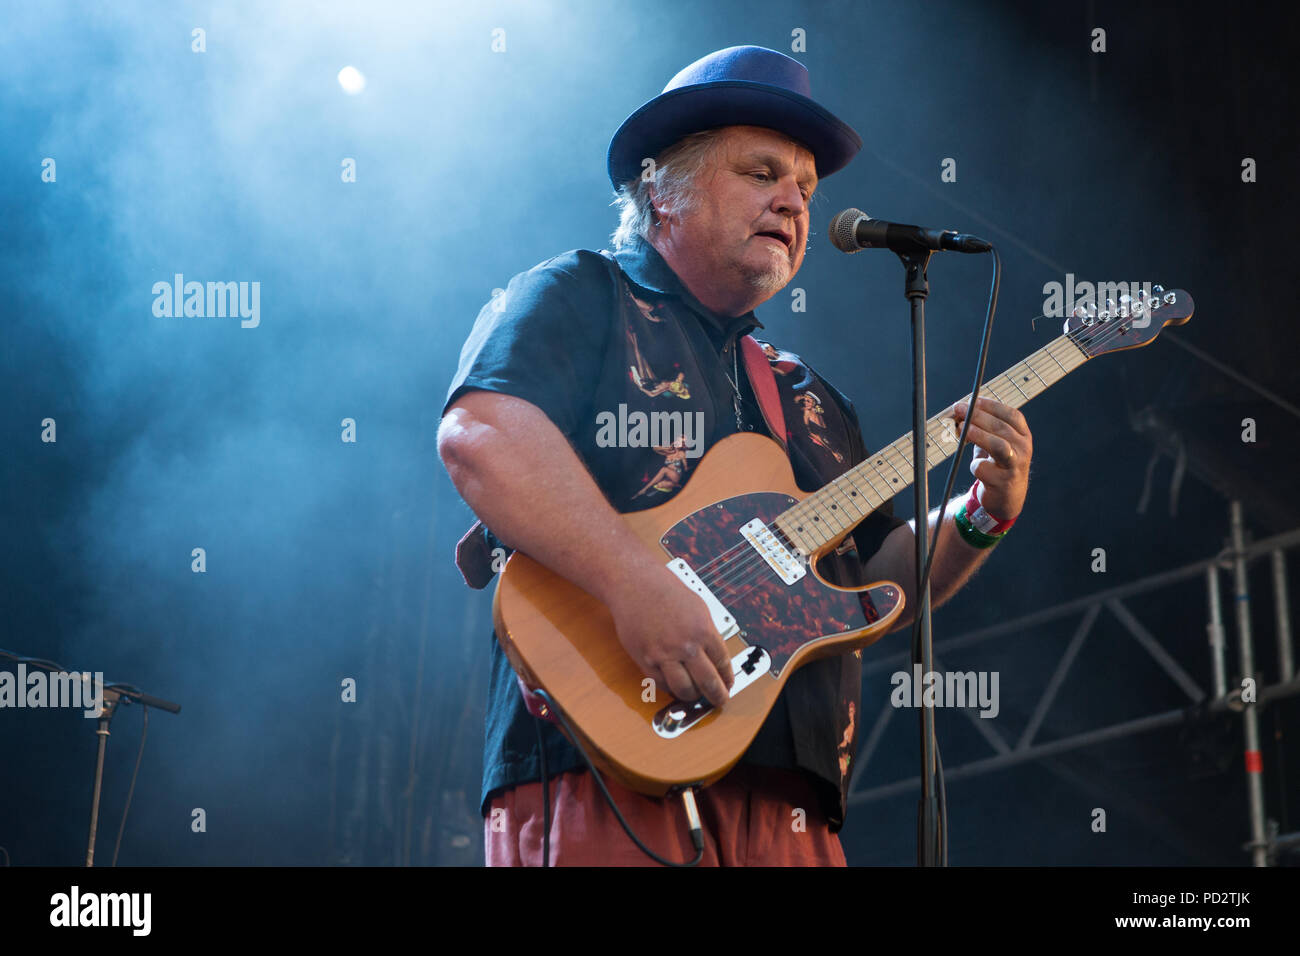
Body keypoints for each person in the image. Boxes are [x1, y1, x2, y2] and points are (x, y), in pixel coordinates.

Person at [437, 45, 1033, 866]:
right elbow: (483, 435)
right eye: (762, 174)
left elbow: (872, 581)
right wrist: (634, 580)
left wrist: (980, 514)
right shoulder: (580, 294)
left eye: (807, 189)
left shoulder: (815, 401)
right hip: (602, 770)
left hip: (793, 800)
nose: (793, 201)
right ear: (660, 187)